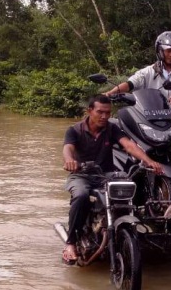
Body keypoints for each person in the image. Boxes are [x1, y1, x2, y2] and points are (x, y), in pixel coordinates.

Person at [62, 94, 164, 265]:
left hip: (105, 175)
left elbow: (129, 146)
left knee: (128, 188)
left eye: (107, 113)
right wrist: (69, 161)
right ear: (90, 111)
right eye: (100, 112)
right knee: (80, 195)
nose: (104, 116)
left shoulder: (112, 129)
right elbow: (68, 149)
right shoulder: (74, 130)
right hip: (81, 175)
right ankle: (71, 243)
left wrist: (149, 161)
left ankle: (126, 231)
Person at [104, 31, 171, 117]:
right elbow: (130, 84)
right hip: (152, 119)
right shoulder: (148, 71)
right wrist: (110, 93)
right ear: (160, 51)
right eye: (168, 51)